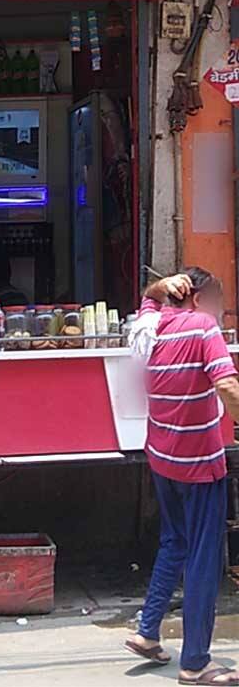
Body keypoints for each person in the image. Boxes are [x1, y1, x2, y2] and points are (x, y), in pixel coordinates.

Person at [126, 267, 239, 687]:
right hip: (199, 465)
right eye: (219, 301)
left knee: (175, 542)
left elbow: (148, 297)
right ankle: (195, 662)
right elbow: (227, 386)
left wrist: (159, 286)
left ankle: (147, 631)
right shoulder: (203, 327)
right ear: (199, 298)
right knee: (204, 560)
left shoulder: (151, 326)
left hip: (162, 459)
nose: (222, 311)